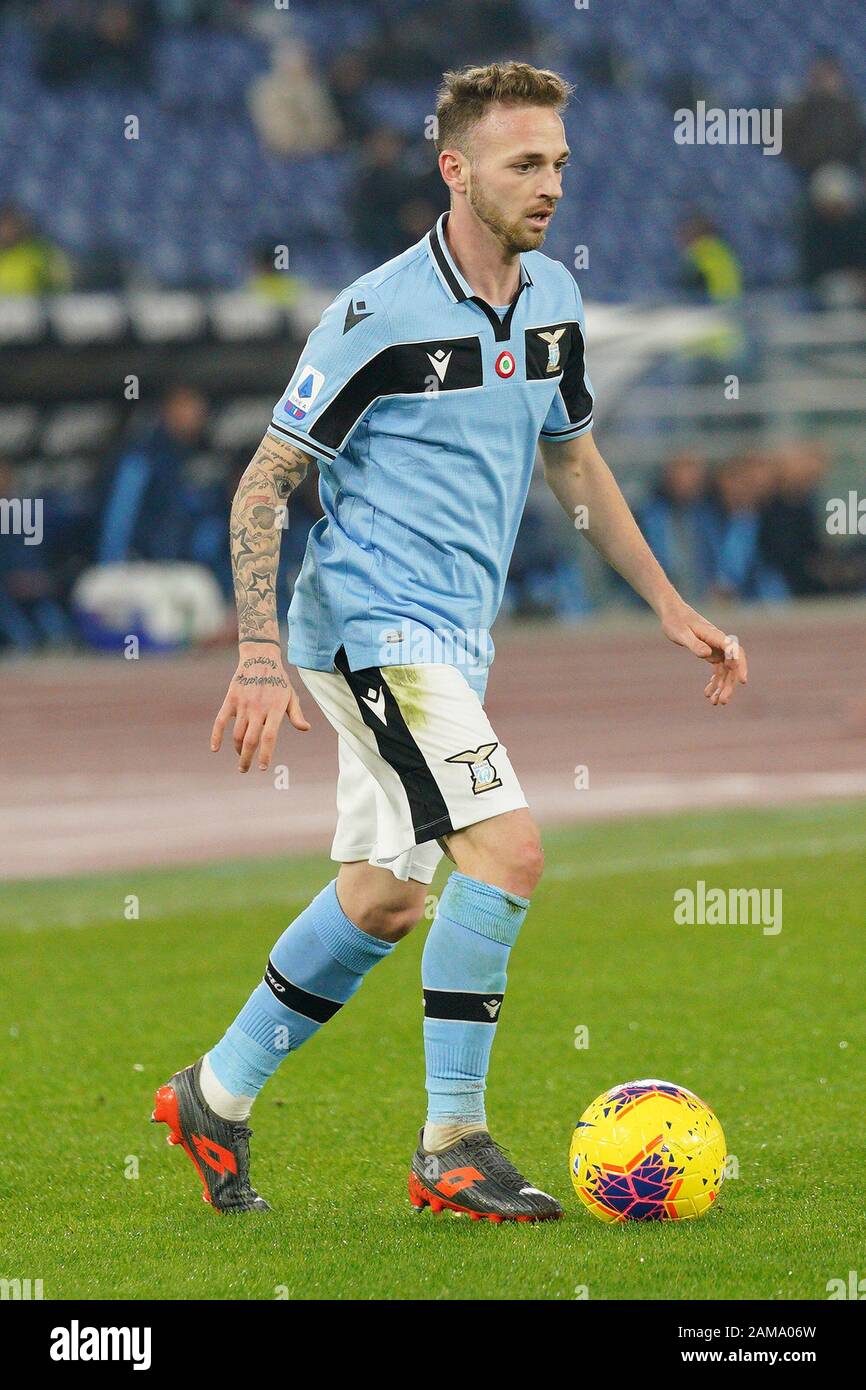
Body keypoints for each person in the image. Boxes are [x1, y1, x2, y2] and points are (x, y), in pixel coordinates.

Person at [152, 61, 748, 1220]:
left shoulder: (555, 300)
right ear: (454, 167)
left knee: (380, 897)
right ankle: (452, 1146)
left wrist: (668, 602)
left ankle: (211, 1094)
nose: (549, 186)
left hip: (451, 639)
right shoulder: (375, 313)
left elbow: (571, 457)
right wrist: (260, 654)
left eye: (560, 164)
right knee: (508, 850)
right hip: (370, 630)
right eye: (524, 164)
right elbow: (264, 483)